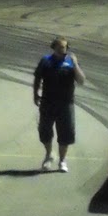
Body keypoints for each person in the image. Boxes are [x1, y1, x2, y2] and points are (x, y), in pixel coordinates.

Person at [32, 36, 85, 173]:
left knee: (66, 133)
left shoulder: (71, 62)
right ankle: (49, 154)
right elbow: (38, 78)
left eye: (65, 47)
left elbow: (81, 80)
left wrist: (76, 64)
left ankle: (62, 160)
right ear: (54, 47)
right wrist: (35, 94)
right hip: (47, 102)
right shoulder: (46, 61)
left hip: (66, 103)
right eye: (61, 47)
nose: (64, 50)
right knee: (44, 131)